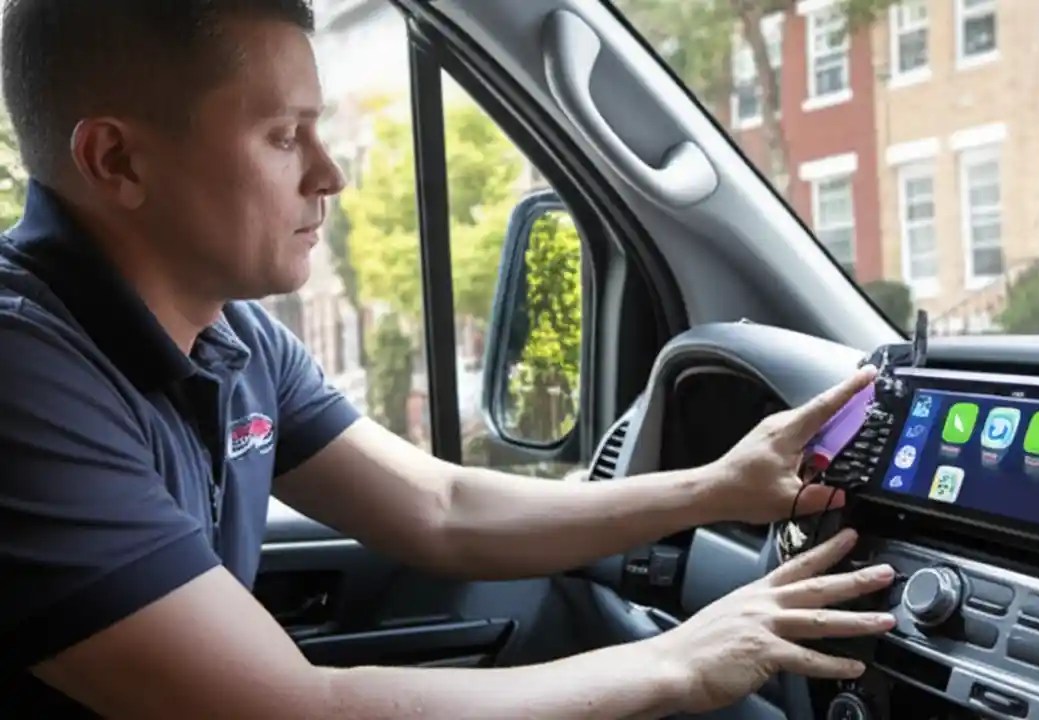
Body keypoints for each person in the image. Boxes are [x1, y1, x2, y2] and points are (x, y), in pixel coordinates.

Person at [0, 1, 895, 717]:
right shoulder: (22, 373)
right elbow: (286, 710)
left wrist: (720, 487)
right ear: (116, 158)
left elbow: (440, 507)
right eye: (283, 135)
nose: (329, 174)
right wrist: (680, 664)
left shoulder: (231, 333)